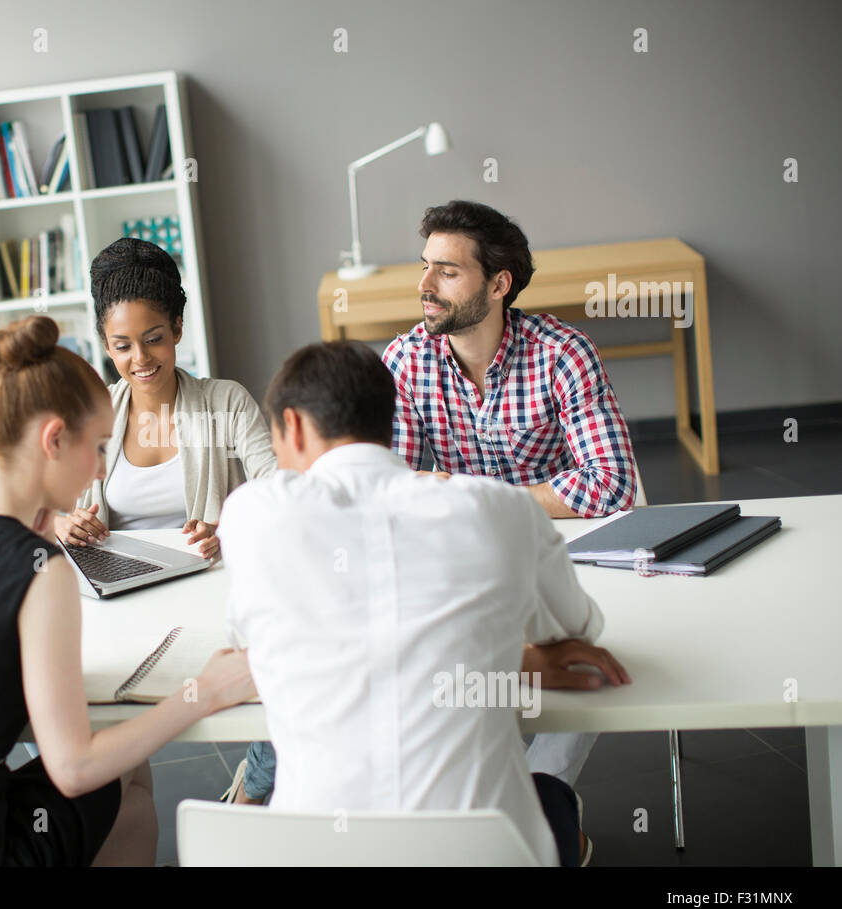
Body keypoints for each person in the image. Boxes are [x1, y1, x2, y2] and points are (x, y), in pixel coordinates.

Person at [0, 315, 256, 866]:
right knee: (116, 776)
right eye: (99, 447)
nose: (101, 468)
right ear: (53, 439)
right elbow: (73, 769)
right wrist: (204, 691)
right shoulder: (39, 566)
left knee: (124, 768)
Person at [217, 340, 631, 866]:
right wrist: (512, 653)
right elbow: (578, 627)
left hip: (318, 853)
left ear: (292, 427)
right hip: (485, 854)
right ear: (389, 422)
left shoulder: (253, 515)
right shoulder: (498, 508)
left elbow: (248, 640)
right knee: (551, 799)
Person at [382, 199, 640, 788]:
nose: (424, 285)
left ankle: (543, 801)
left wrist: (480, 497)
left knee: (585, 656)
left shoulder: (562, 353)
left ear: (499, 284)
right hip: (455, 559)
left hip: (557, 551)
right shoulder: (404, 361)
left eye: (447, 272)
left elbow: (610, 482)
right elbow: (392, 489)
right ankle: (485, 799)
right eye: (425, 266)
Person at [54, 237, 276, 559]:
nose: (140, 358)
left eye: (154, 339)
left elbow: (276, 489)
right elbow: (38, 505)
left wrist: (230, 526)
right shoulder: (89, 412)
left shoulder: (228, 403)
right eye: (122, 347)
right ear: (105, 346)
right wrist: (61, 524)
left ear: (177, 329)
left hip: (209, 578)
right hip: (122, 583)